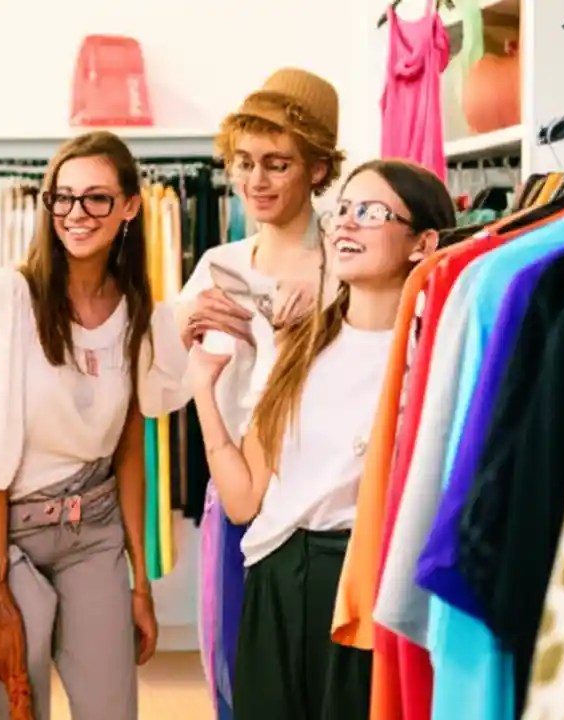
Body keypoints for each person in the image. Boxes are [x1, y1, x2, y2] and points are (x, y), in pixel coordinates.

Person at [0, 130, 188, 720]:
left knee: (112, 709)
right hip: (5, 533)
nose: (76, 213)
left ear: (129, 206)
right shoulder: (8, 298)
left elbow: (129, 448)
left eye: (96, 198)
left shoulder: (135, 309)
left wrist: (141, 582)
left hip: (91, 532)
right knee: (19, 707)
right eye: (63, 198)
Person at [187, 159, 455, 719]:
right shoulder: (298, 349)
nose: (347, 225)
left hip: (364, 583)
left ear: (422, 242)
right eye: (344, 210)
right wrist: (203, 393)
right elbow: (243, 500)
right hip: (275, 580)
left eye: (372, 212)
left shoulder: (429, 360)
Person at [169, 67, 345, 715]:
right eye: (244, 163)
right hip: (241, 488)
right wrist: (182, 328)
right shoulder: (220, 265)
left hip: (328, 499)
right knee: (244, 682)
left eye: (277, 164)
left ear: (319, 170)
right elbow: (163, 390)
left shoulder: (348, 265)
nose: (255, 181)